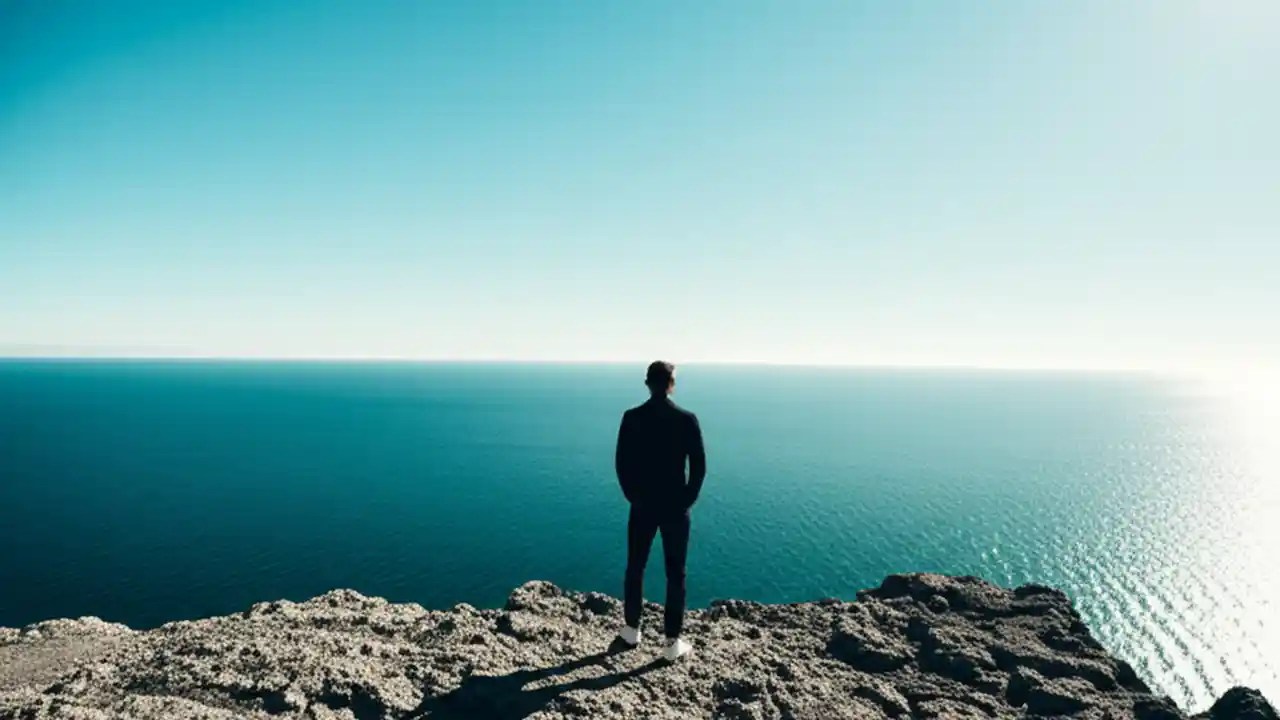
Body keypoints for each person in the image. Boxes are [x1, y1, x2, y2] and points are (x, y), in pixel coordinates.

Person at [614, 360, 706, 661]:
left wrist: (632, 496)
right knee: (675, 573)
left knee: (635, 567)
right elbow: (699, 467)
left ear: (647, 383)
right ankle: (671, 644)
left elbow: (621, 463)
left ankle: (630, 632)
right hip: (674, 508)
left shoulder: (631, 417)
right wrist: (686, 501)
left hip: (642, 505)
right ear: (671, 384)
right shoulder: (687, 419)